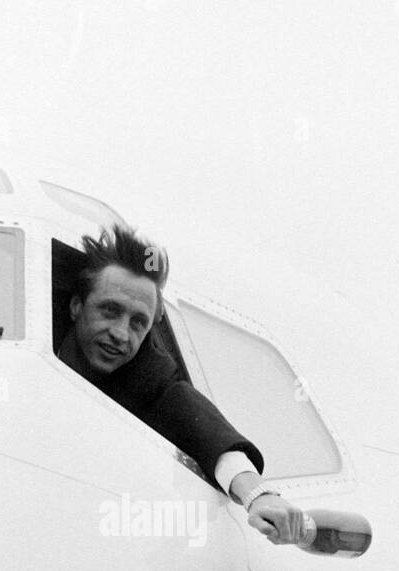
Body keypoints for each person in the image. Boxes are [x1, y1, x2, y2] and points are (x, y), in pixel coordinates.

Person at [57, 224, 311, 546]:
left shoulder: (149, 377)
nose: (121, 334)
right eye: (110, 310)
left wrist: (258, 495)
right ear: (76, 306)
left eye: (138, 323)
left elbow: (203, 428)